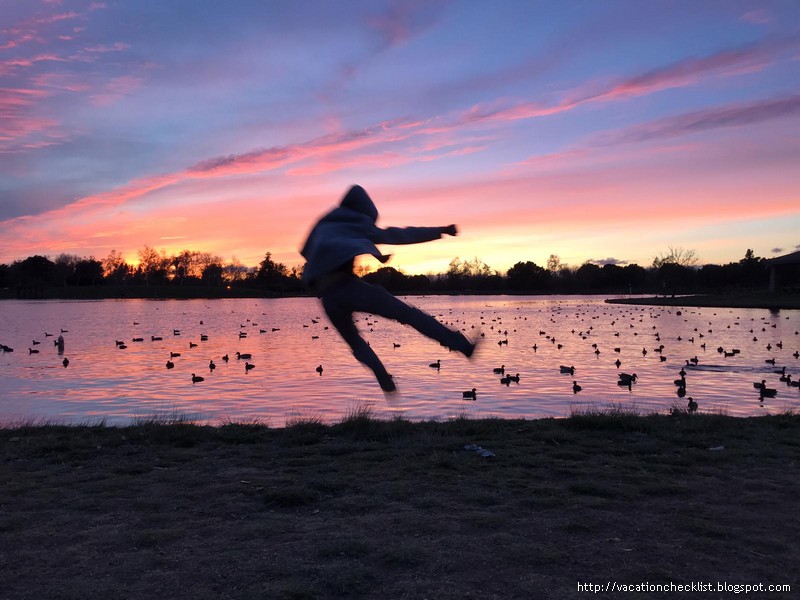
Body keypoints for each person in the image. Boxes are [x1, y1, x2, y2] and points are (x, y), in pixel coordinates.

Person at [300, 185, 476, 392]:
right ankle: (461, 344)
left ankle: (383, 377)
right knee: (408, 314)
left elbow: (315, 255)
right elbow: (399, 235)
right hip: (348, 287)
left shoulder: (324, 226)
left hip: (328, 299)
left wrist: (371, 254)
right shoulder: (356, 221)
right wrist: (440, 231)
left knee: (355, 342)